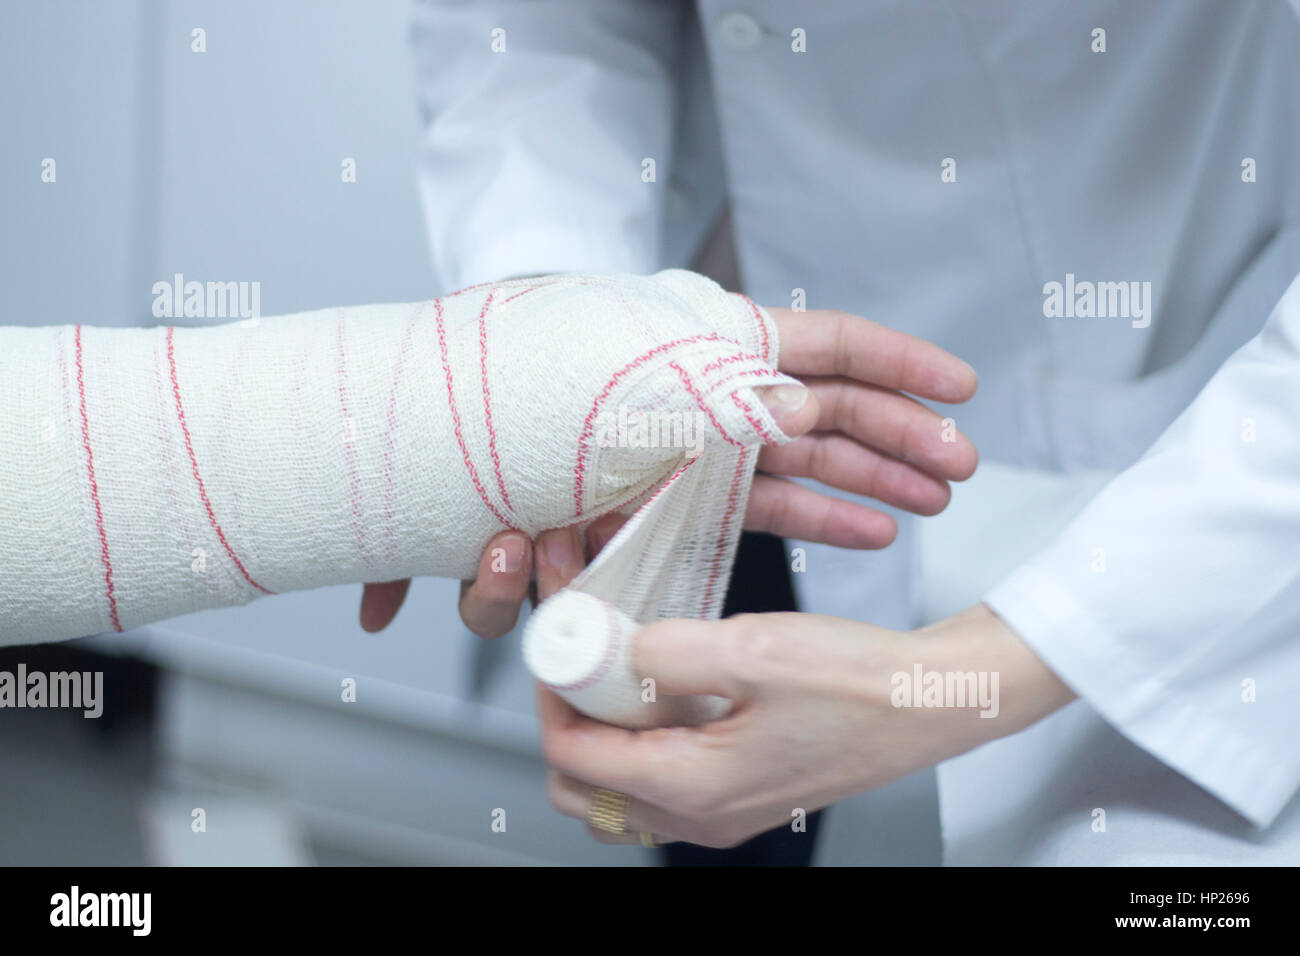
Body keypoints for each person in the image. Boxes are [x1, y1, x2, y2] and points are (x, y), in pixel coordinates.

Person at [379, 0, 1300, 863]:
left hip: (1196, 457)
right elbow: (535, 29)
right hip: (707, 436)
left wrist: (971, 676)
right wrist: (538, 341)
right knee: (705, 819)